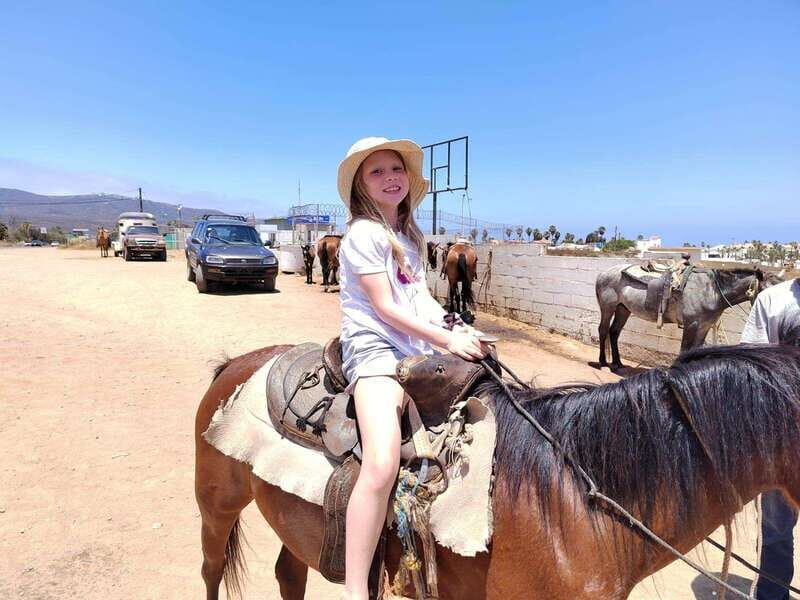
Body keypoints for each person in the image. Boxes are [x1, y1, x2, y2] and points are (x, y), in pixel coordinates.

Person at [336, 137, 488, 600]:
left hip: (414, 346)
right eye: (376, 172)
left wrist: (454, 324)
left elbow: (418, 299)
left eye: (395, 169)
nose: (390, 178)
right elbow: (384, 308)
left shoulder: (406, 237)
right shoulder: (362, 234)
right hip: (375, 350)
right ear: (362, 185)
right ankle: (355, 587)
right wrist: (446, 340)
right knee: (381, 465)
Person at [741, 275, 800, 600]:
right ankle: (772, 594)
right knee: (777, 529)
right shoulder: (773, 300)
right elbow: (752, 366)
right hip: (785, 439)